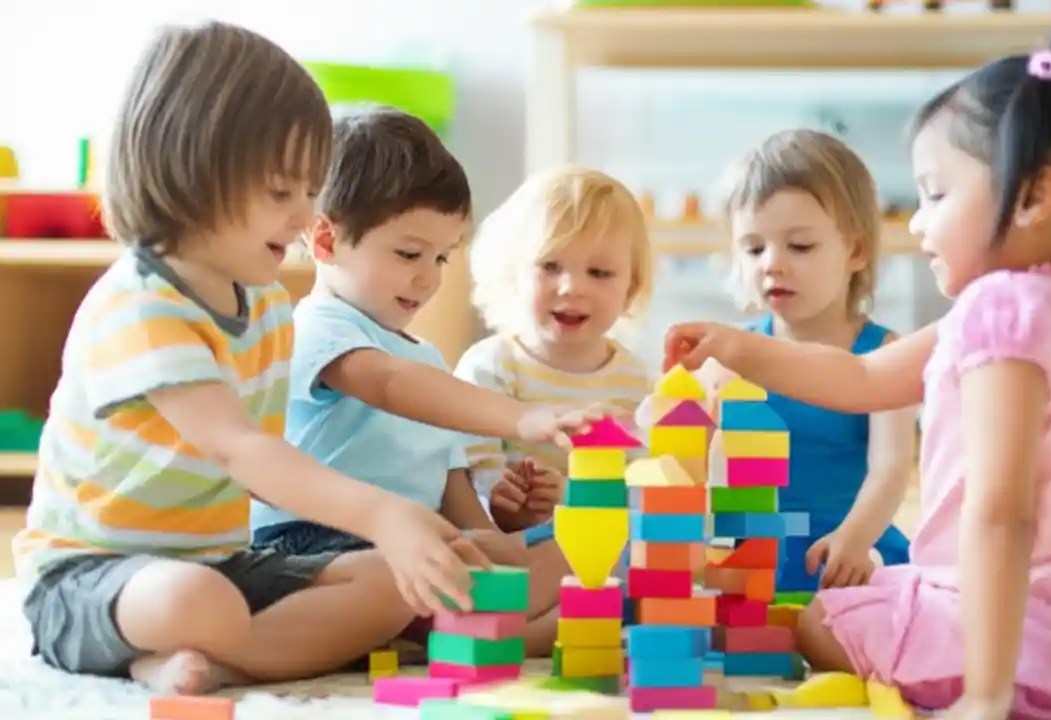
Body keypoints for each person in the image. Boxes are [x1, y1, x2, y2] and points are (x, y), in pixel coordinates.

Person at [12, 22, 565, 695]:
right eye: (282, 194)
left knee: (398, 583)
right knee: (197, 601)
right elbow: (242, 451)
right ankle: (206, 644)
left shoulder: (267, 305)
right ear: (193, 173)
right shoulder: (143, 305)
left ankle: (214, 662)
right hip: (91, 574)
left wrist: (425, 533)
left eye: (309, 191)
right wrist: (385, 515)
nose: (304, 216)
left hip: (221, 559)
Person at [663, 42, 1051, 719]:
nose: (917, 220)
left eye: (935, 193)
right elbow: (863, 378)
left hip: (1020, 644)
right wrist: (738, 347)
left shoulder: (1000, 318)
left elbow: (1001, 514)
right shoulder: (1049, 300)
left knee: (818, 619)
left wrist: (984, 698)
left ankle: (1000, 688)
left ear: (1033, 196)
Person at [250, 106, 574, 655]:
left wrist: (501, 540)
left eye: (443, 257)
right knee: (447, 574)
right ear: (325, 241)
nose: (429, 278)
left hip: (423, 541)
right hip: (314, 542)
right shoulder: (316, 328)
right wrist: (520, 416)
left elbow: (451, 488)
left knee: (551, 554)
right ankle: (505, 634)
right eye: (408, 254)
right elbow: (386, 382)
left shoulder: (426, 359)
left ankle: (510, 628)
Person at [717, 129, 916, 592]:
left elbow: (891, 468)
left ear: (856, 250)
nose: (771, 263)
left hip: (848, 551)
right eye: (753, 247)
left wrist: (854, 537)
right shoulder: (734, 356)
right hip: (754, 554)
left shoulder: (885, 354)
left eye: (800, 246)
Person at [454, 165, 654, 532]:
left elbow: (642, 487)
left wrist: (573, 495)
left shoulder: (636, 382)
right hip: (505, 549)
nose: (571, 287)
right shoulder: (489, 367)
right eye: (550, 265)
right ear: (512, 272)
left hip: (600, 553)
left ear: (631, 286)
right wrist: (504, 501)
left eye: (599, 273)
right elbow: (465, 474)